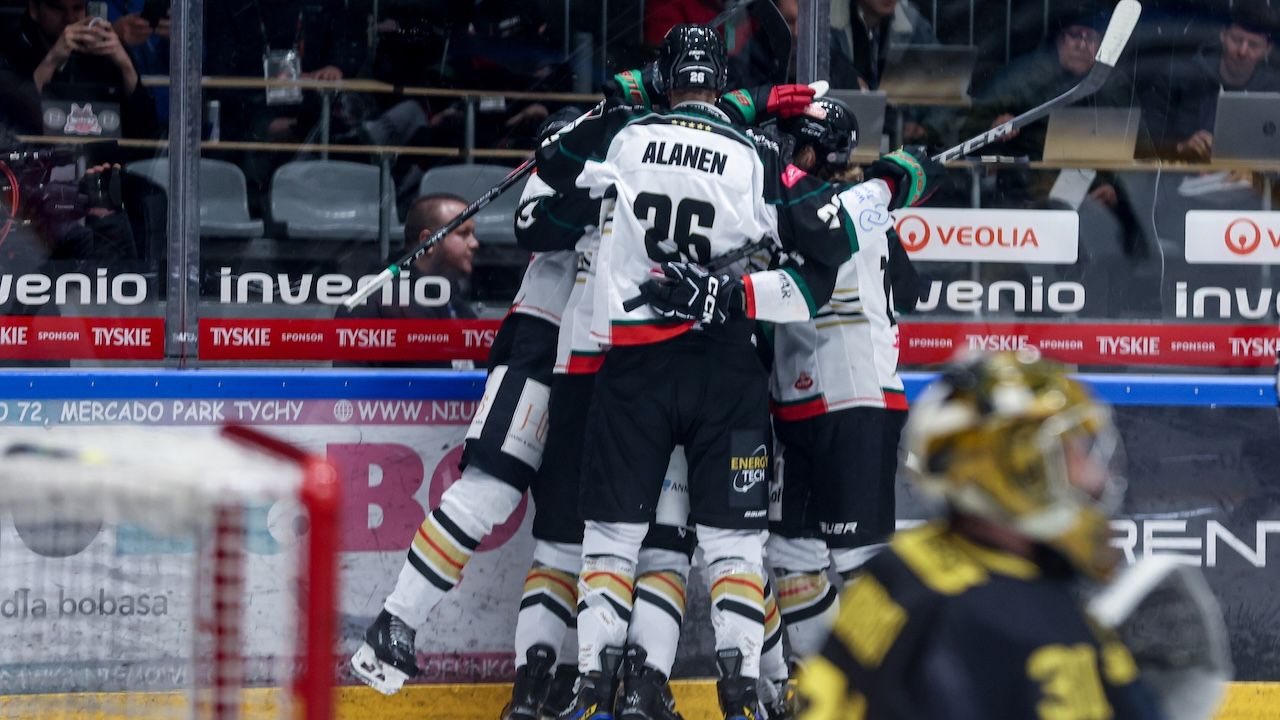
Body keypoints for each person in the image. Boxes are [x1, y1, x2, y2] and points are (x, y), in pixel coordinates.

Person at [535, 24, 932, 720]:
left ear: (663, 77)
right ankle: (744, 692)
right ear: (721, 83)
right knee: (736, 544)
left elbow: (550, 190)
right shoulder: (758, 155)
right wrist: (894, 183)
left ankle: (593, 683)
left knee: (613, 534)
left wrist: (605, 109)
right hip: (729, 370)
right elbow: (825, 246)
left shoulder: (627, 140)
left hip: (634, 366)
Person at [795, 349, 1166, 720]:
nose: (1095, 477)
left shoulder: (906, 568)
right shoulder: (993, 619)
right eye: (1071, 452)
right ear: (1016, 470)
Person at [349, 161, 581, 696]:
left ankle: (534, 687)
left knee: (568, 536)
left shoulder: (665, 153)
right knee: (487, 494)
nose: (475, 245)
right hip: (544, 338)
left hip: (608, 357)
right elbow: (538, 224)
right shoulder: (580, 145)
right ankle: (395, 622)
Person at [766, 97, 925, 675]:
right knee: (791, 559)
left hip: (854, 402)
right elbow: (911, 290)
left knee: (861, 562)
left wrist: (879, 193)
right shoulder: (842, 204)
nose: (780, 149)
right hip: (802, 408)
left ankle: (899, 693)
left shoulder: (820, 207)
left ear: (808, 151)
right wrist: (883, 192)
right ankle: (832, 693)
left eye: (790, 142)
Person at [959, 5, 1136, 208]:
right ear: (1059, 40)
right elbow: (966, 132)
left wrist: (1111, 187)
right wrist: (993, 128)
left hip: (1092, 205)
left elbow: (1133, 147)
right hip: (1022, 197)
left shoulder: (1113, 86)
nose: (1082, 45)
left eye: (1091, 38)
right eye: (1075, 35)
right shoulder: (1021, 78)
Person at [1143, 0, 1279, 162]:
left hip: (1247, 180)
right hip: (1180, 176)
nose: (1243, 51)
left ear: (1268, 49)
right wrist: (1179, 147)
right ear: (1223, 35)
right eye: (1236, 40)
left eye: (1254, 45)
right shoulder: (1178, 76)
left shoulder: (1274, 89)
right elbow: (1144, 139)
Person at [0, 0, 159, 139]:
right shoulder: (11, 48)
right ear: (35, 9)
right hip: (37, 161)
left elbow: (145, 129)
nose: (69, 18)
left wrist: (125, 64)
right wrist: (52, 60)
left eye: (77, 8)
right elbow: (14, 124)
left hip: (102, 161)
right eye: (58, 8)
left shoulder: (105, 52)